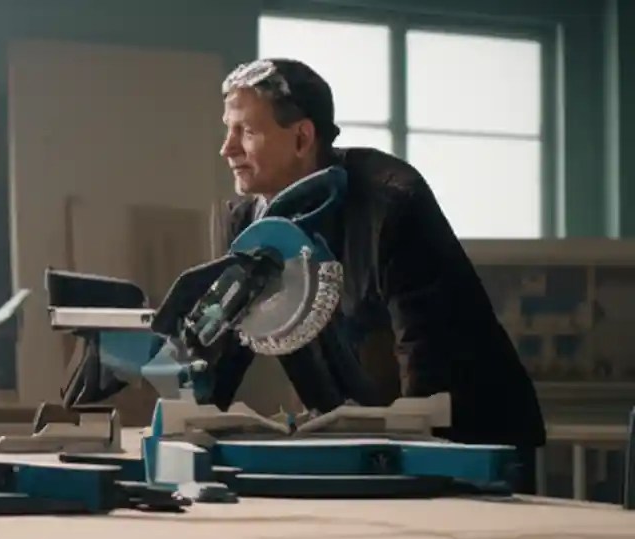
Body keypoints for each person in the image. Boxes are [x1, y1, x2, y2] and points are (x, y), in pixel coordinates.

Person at [210, 57, 545, 492]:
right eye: (228, 129)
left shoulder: (390, 202)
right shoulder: (246, 225)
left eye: (247, 131)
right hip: (367, 442)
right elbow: (221, 344)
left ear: (302, 138)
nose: (227, 148)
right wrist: (191, 422)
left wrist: (408, 466)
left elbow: (424, 357)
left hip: (475, 440)